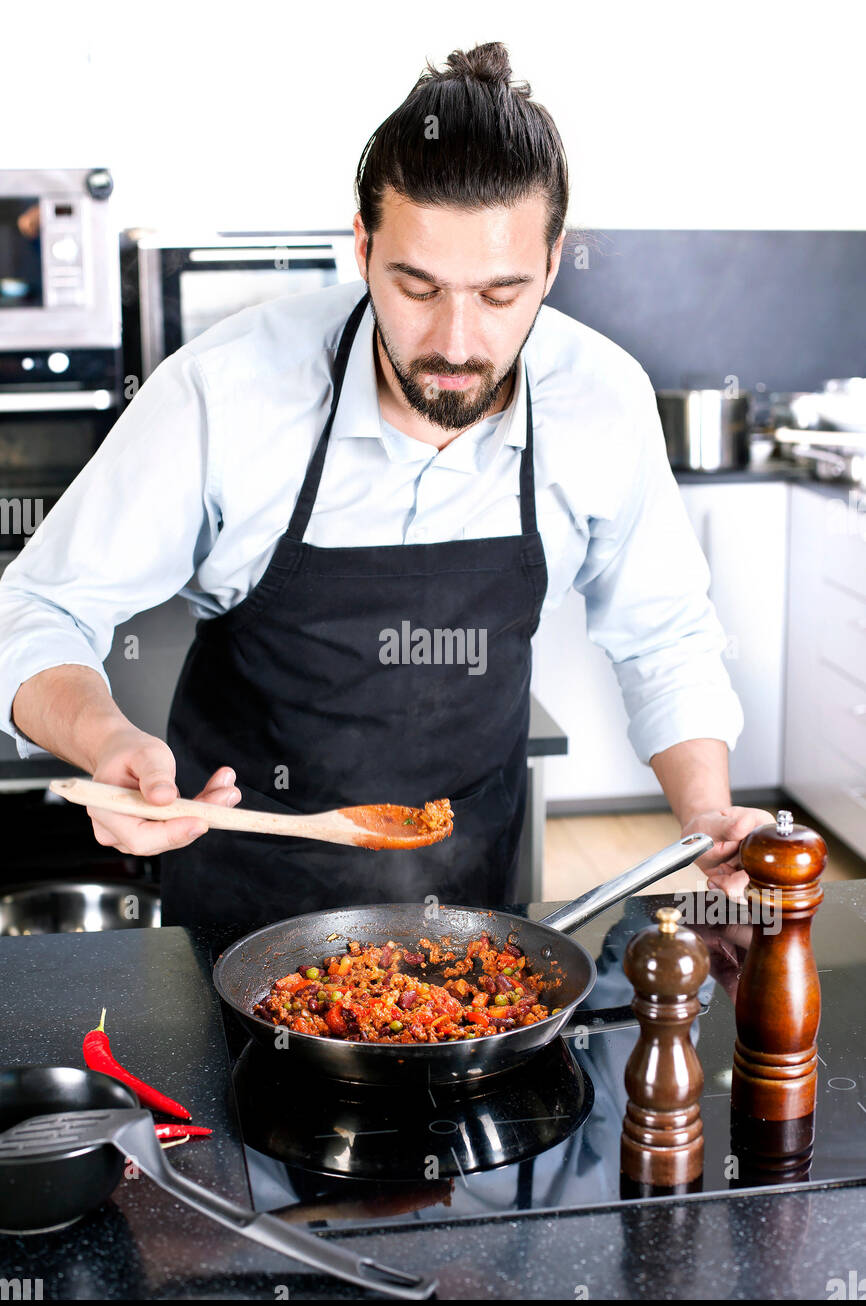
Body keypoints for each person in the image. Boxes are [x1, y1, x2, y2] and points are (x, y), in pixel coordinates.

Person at [0, 42, 771, 945]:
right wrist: (106, 743)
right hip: (244, 912)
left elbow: (665, 633)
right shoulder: (224, 391)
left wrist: (707, 811)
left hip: (476, 901)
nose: (456, 340)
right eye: (416, 285)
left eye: (501, 292)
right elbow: (39, 607)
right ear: (362, 248)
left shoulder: (602, 398)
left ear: (554, 263)